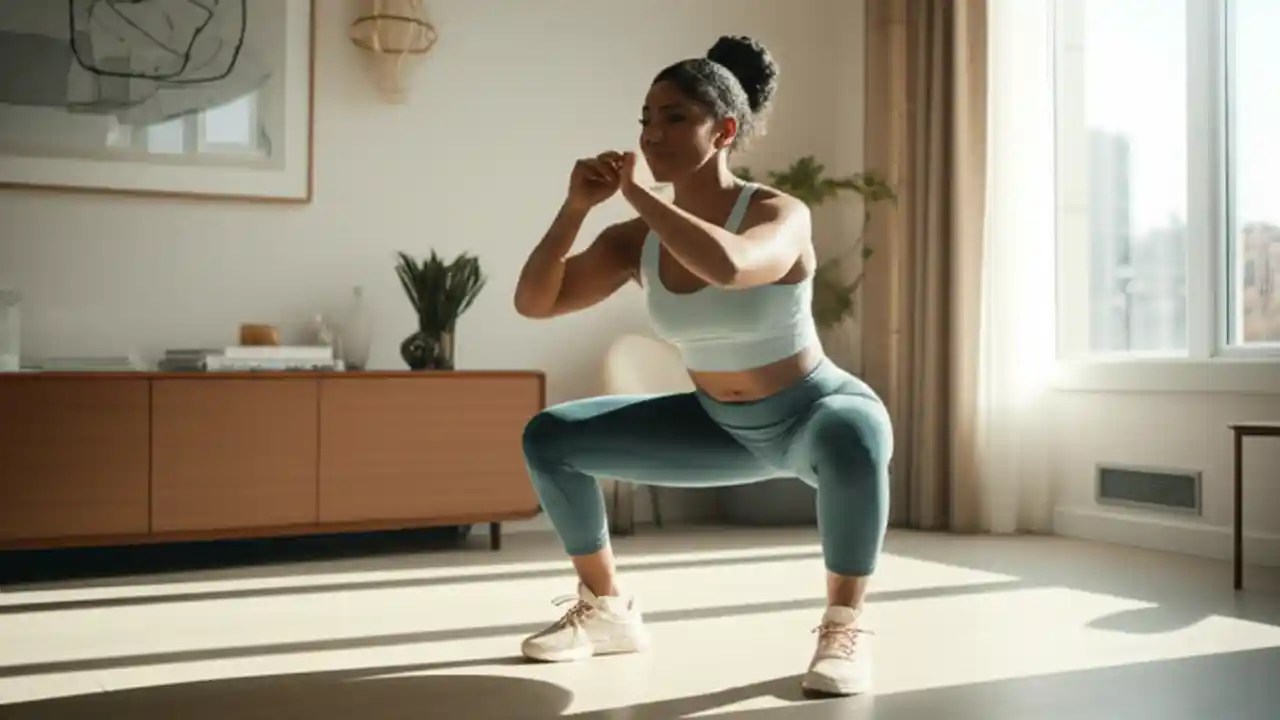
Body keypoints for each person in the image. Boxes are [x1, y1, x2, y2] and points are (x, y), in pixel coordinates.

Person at [511, 35, 893, 697]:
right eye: (645, 119)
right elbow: (535, 302)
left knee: (855, 437)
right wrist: (576, 208)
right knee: (550, 437)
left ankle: (843, 625)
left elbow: (730, 266)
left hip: (812, 414)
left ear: (723, 130)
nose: (652, 134)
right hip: (717, 426)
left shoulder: (779, 213)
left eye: (674, 118)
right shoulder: (635, 239)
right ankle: (608, 611)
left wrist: (640, 196)